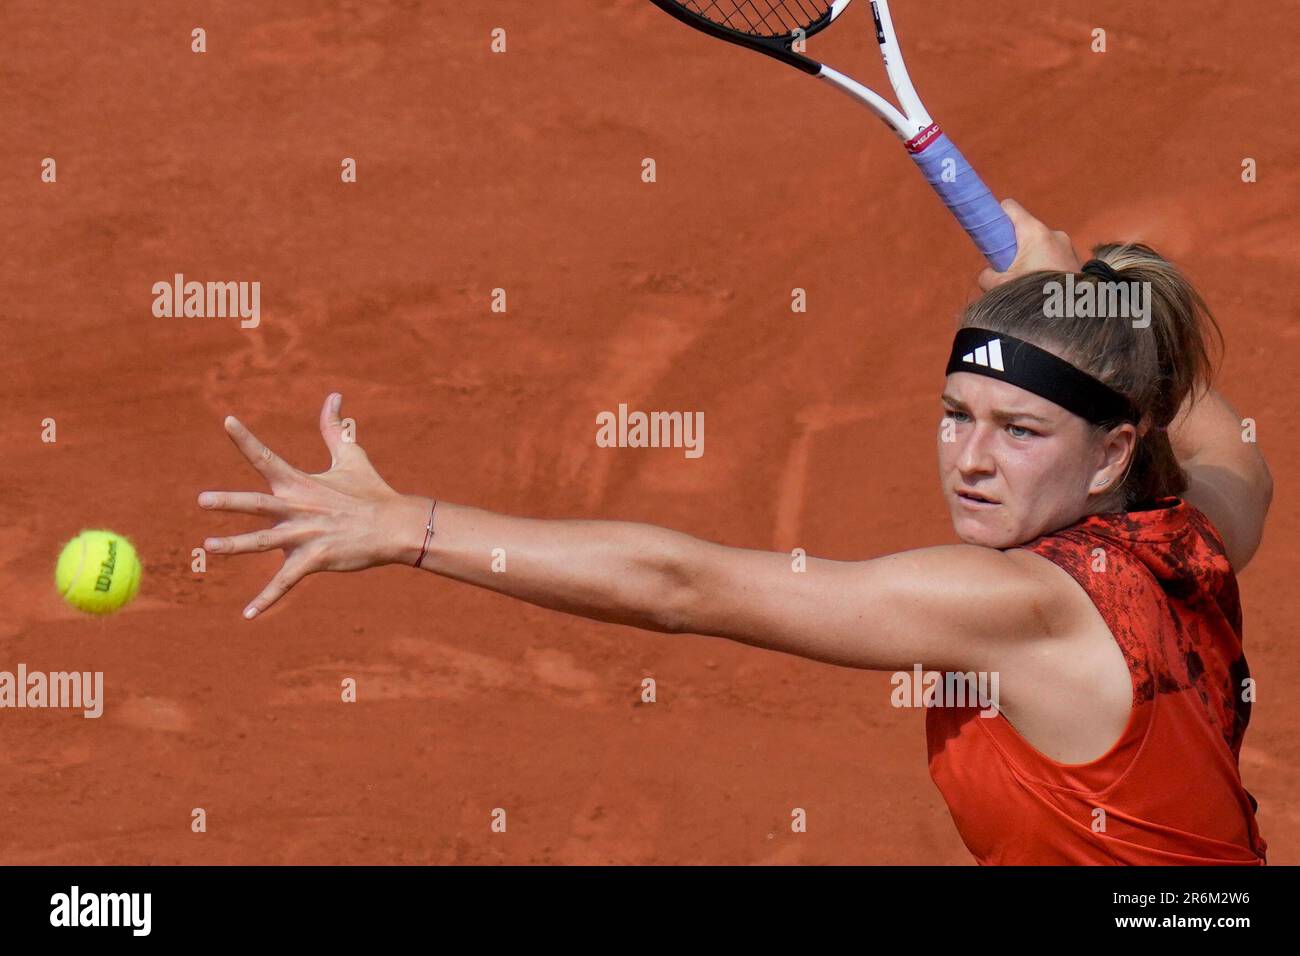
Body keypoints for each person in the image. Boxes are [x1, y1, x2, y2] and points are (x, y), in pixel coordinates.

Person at [197, 201, 1272, 865]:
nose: (971, 458)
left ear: (1109, 449)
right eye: (956, 414)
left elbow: (680, 584)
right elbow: (1236, 453)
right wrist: (1081, 308)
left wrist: (407, 524)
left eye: (1020, 429)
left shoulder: (1016, 605)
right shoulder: (1200, 530)